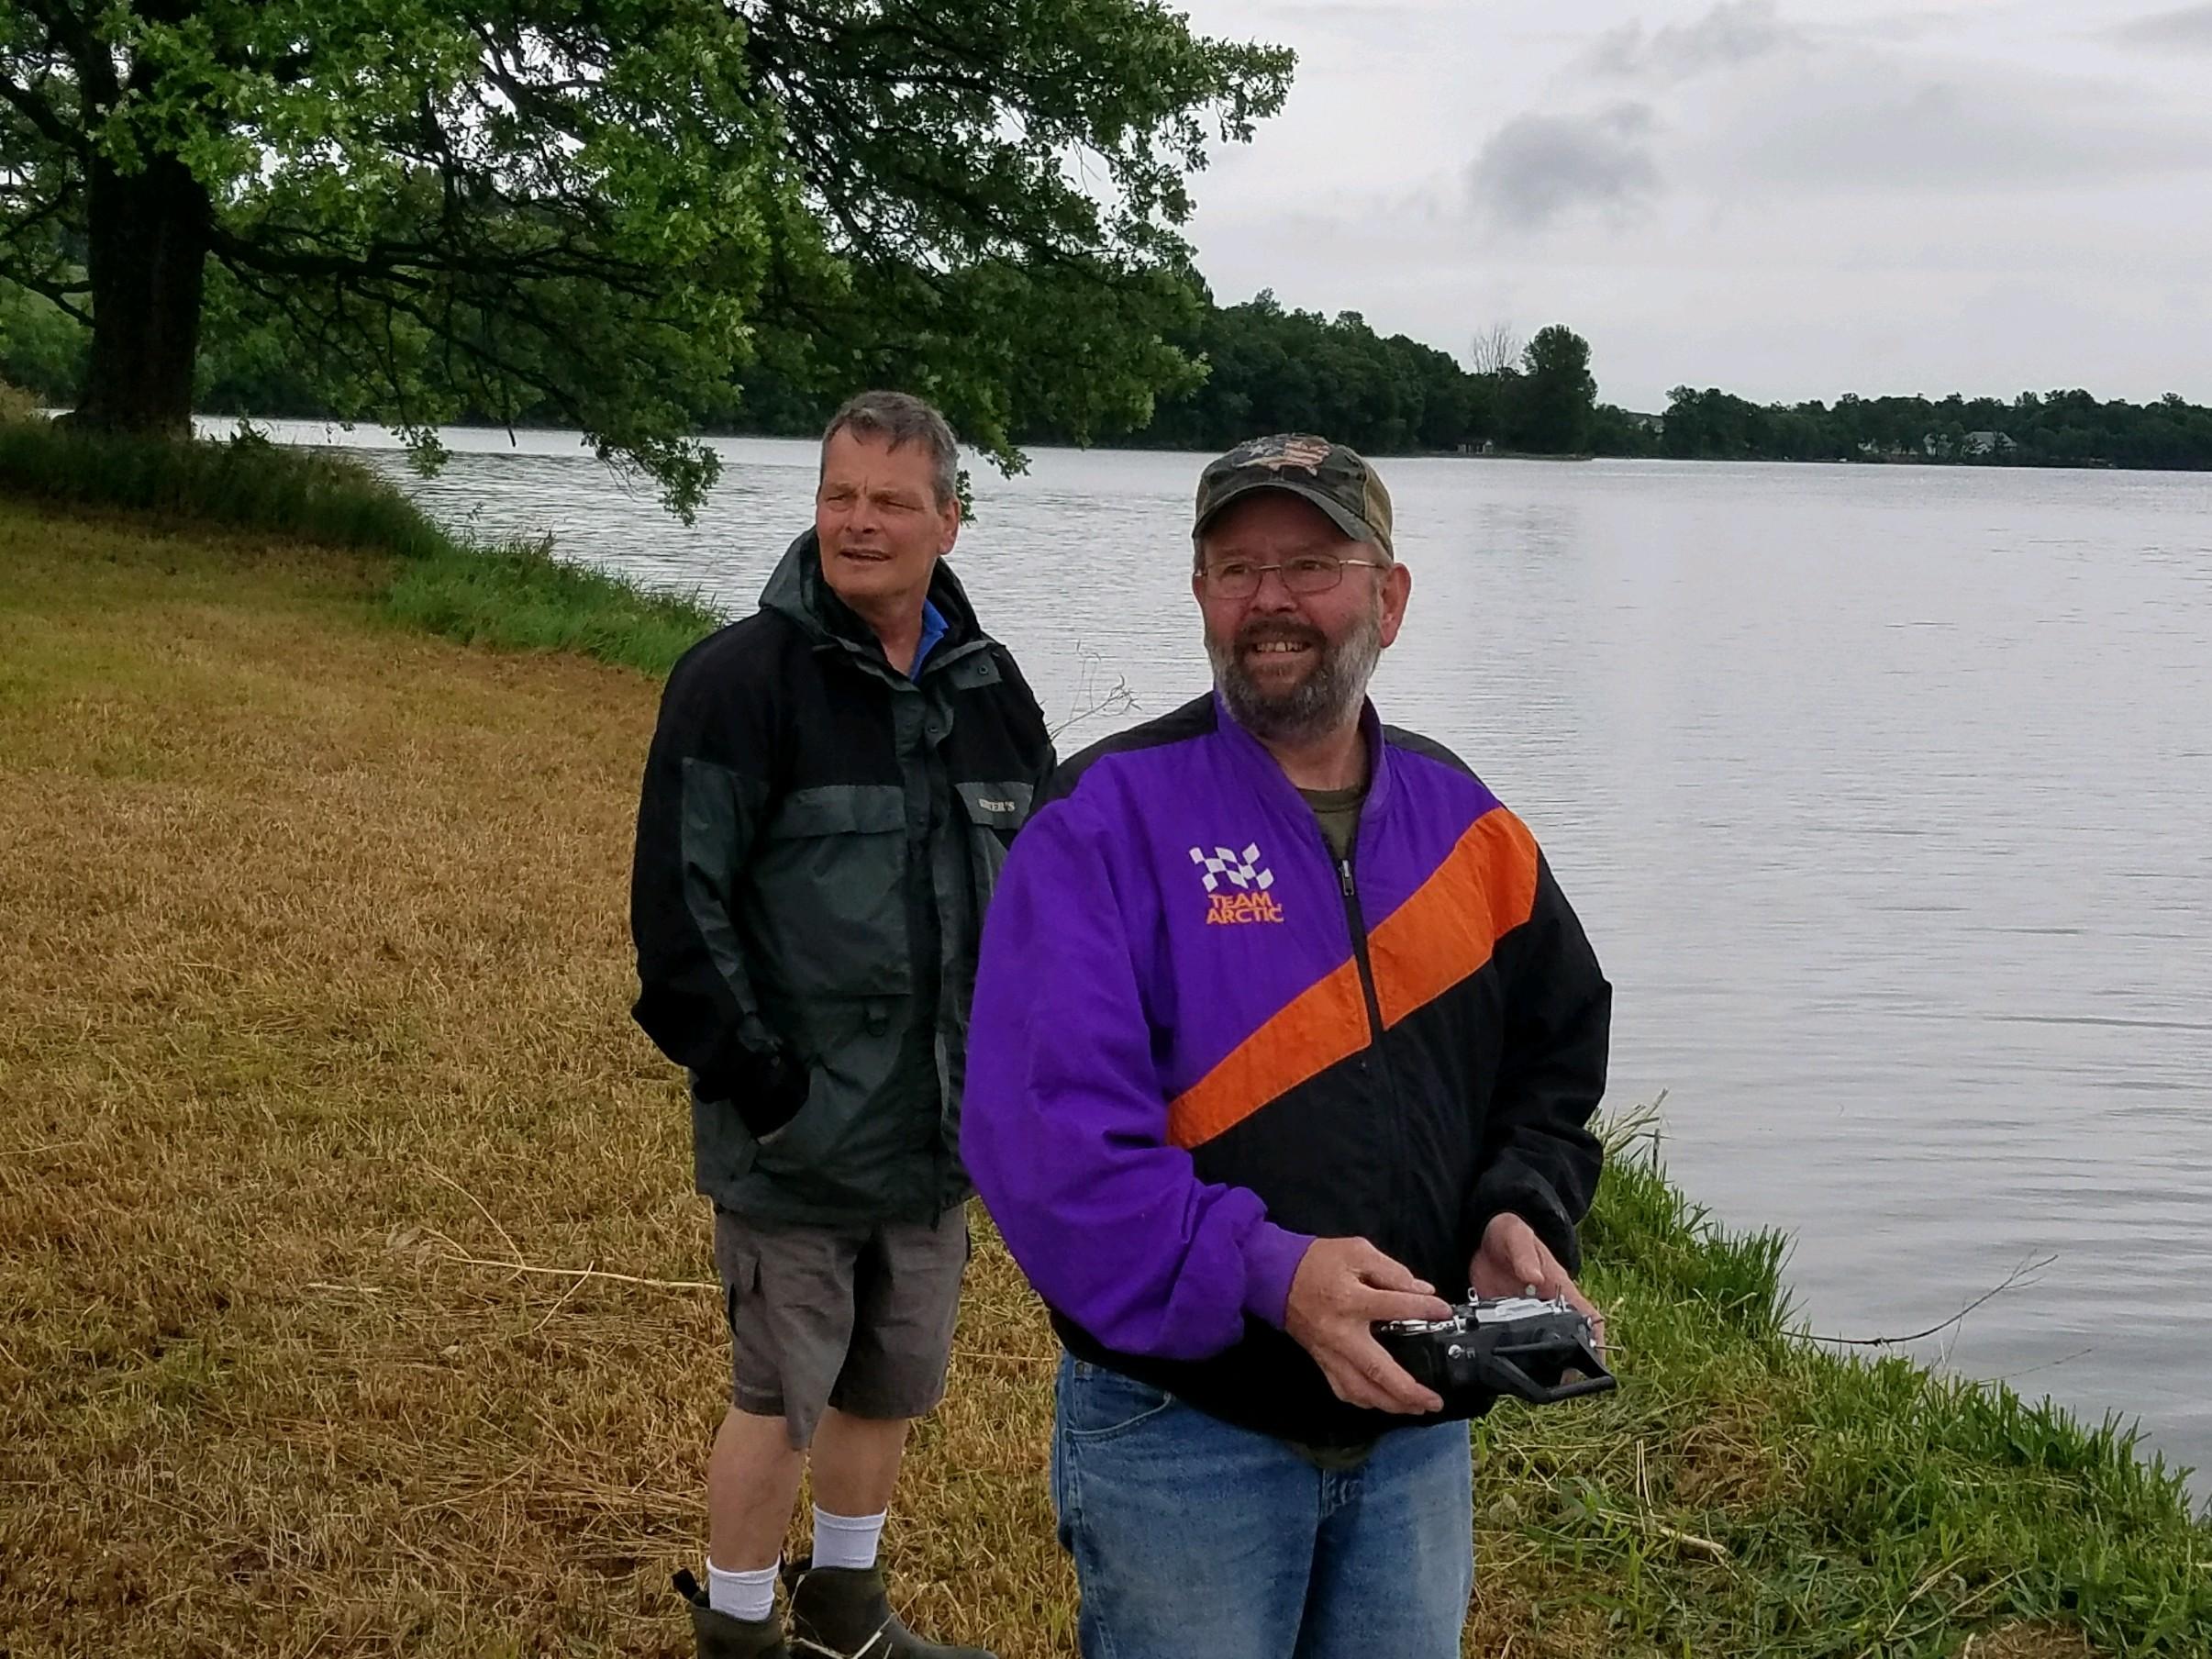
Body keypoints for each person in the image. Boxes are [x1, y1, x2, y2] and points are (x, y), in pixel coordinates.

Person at [961, 433, 1612, 1657]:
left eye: (1310, 564)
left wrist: (1518, 1205)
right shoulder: (1101, 819)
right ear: (1201, 594)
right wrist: (1268, 1273)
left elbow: (1555, 1058)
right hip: (1182, 1431)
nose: (1270, 601)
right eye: (1235, 568)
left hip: (1417, 1434)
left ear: (1389, 596)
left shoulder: (1469, 827)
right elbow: (1046, 1146)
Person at [630, 390, 1051, 1659]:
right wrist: (768, 1087)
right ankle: (743, 1632)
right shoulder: (735, 681)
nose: (858, 525)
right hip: (799, 1134)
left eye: (889, 502)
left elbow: (1042, 902)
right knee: (779, 1396)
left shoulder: (994, 690)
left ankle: (847, 1613)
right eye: (838, 497)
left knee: (892, 1385)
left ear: (949, 523)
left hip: (937, 1136)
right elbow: (678, 919)